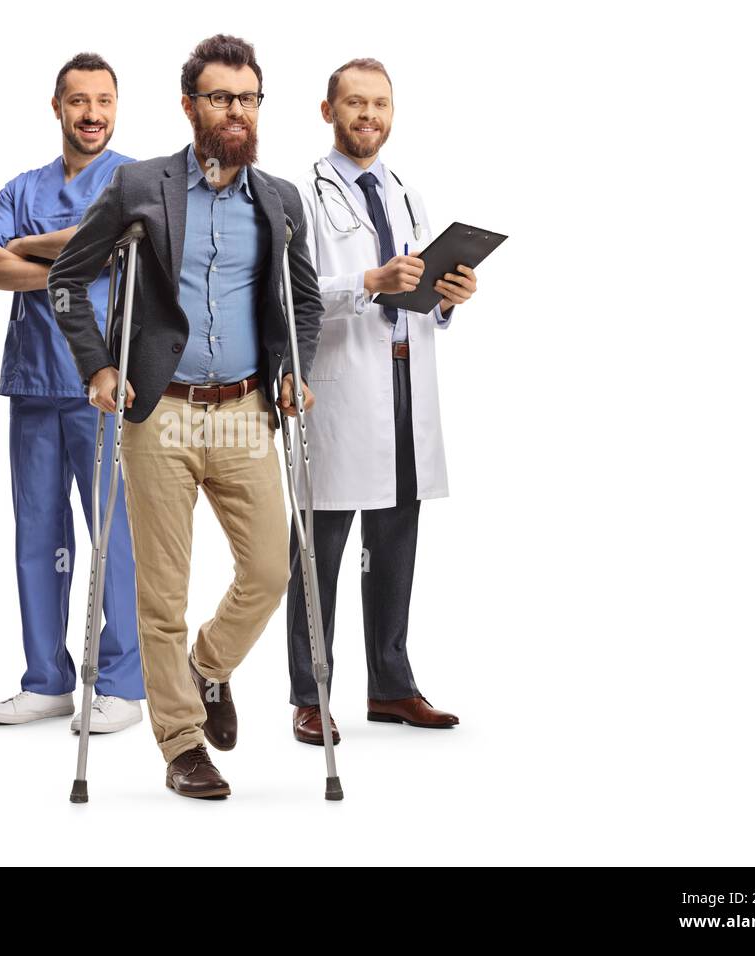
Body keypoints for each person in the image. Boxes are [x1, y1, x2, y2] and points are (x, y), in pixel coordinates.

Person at [49, 35, 324, 798]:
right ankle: (180, 745)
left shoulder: (279, 199)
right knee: (161, 593)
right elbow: (67, 279)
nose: (235, 111)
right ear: (190, 106)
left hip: (242, 411)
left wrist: (292, 370)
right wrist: (98, 367)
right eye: (220, 97)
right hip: (160, 413)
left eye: (247, 98)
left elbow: (301, 301)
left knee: (271, 568)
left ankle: (208, 668)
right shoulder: (141, 186)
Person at [286, 58, 479, 747]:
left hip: (403, 380)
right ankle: (310, 695)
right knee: (321, 548)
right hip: (337, 390)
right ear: (328, 110)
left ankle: (391, 686)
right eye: (356, 104)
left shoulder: (404, 193)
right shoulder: (302, 196)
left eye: (381, 105)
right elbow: (294, 292)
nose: (369, 116)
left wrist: (447, 297)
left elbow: (419, 291)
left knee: (396, 536)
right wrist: (367, 280)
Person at [0, 53, 144, 734]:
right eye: (79, 101)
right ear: (57, 107)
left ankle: (122, 682)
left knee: (116, 535)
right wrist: (72, 266)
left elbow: (111, 246)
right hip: (34, 383)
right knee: (41, 535)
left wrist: (33, 250)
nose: (92, 114)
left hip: (103, 382)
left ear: (115, 108)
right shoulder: (22, 185)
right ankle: (46, 680)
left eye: (103, 100)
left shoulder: (132, 182)